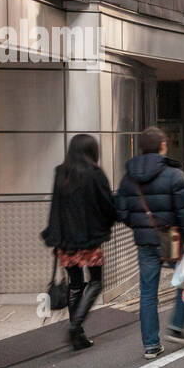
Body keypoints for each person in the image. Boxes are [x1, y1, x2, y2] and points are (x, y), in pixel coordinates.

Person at [115, 127, 184, 359]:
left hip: (145, 242)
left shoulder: (128, 176)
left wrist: (141, 226)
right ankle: (177, 326)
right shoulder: (173, 174)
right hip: (171, 240)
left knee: (148, 293)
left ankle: (151, 345)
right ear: (162, 146)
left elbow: (121, 210)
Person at [41, 133, 116, 350]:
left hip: (66, 241)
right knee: (95, 282)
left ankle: (78, 335)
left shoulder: (61, 173)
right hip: (89, 241)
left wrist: (55, 238)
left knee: (75, 284)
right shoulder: (95, 174)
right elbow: (107, 205)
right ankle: (76, 326)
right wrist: (111, 221)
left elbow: (55, 208)